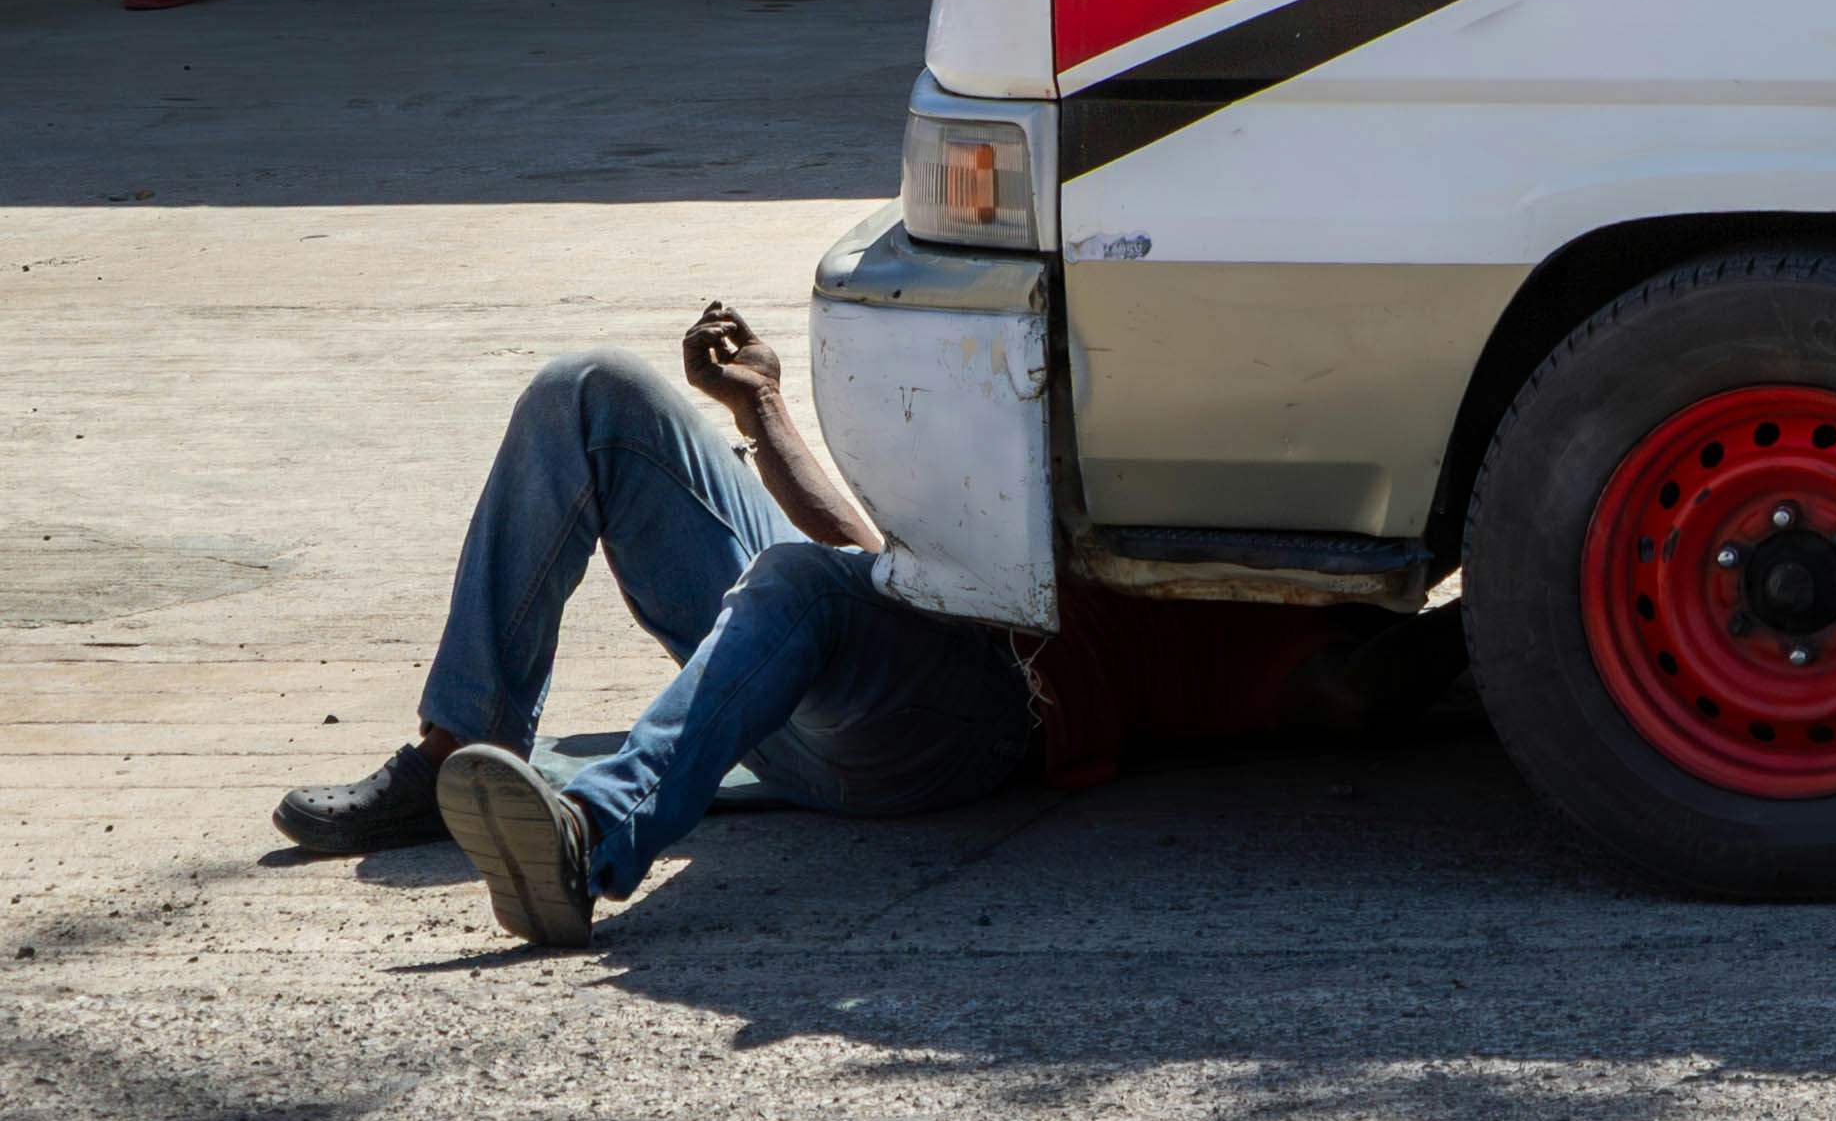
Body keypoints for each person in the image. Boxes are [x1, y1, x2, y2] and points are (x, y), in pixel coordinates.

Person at [276, 303, 1453, 947]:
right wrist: (766, 409)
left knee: (798, 585)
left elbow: (1356, 691)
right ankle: (449, 753)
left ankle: (595, 832)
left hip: (966, 722)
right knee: (590, 388)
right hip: (835, 657)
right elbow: (862, 564)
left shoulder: (1291, 589)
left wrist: (1509, 619)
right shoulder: (1106, 470)